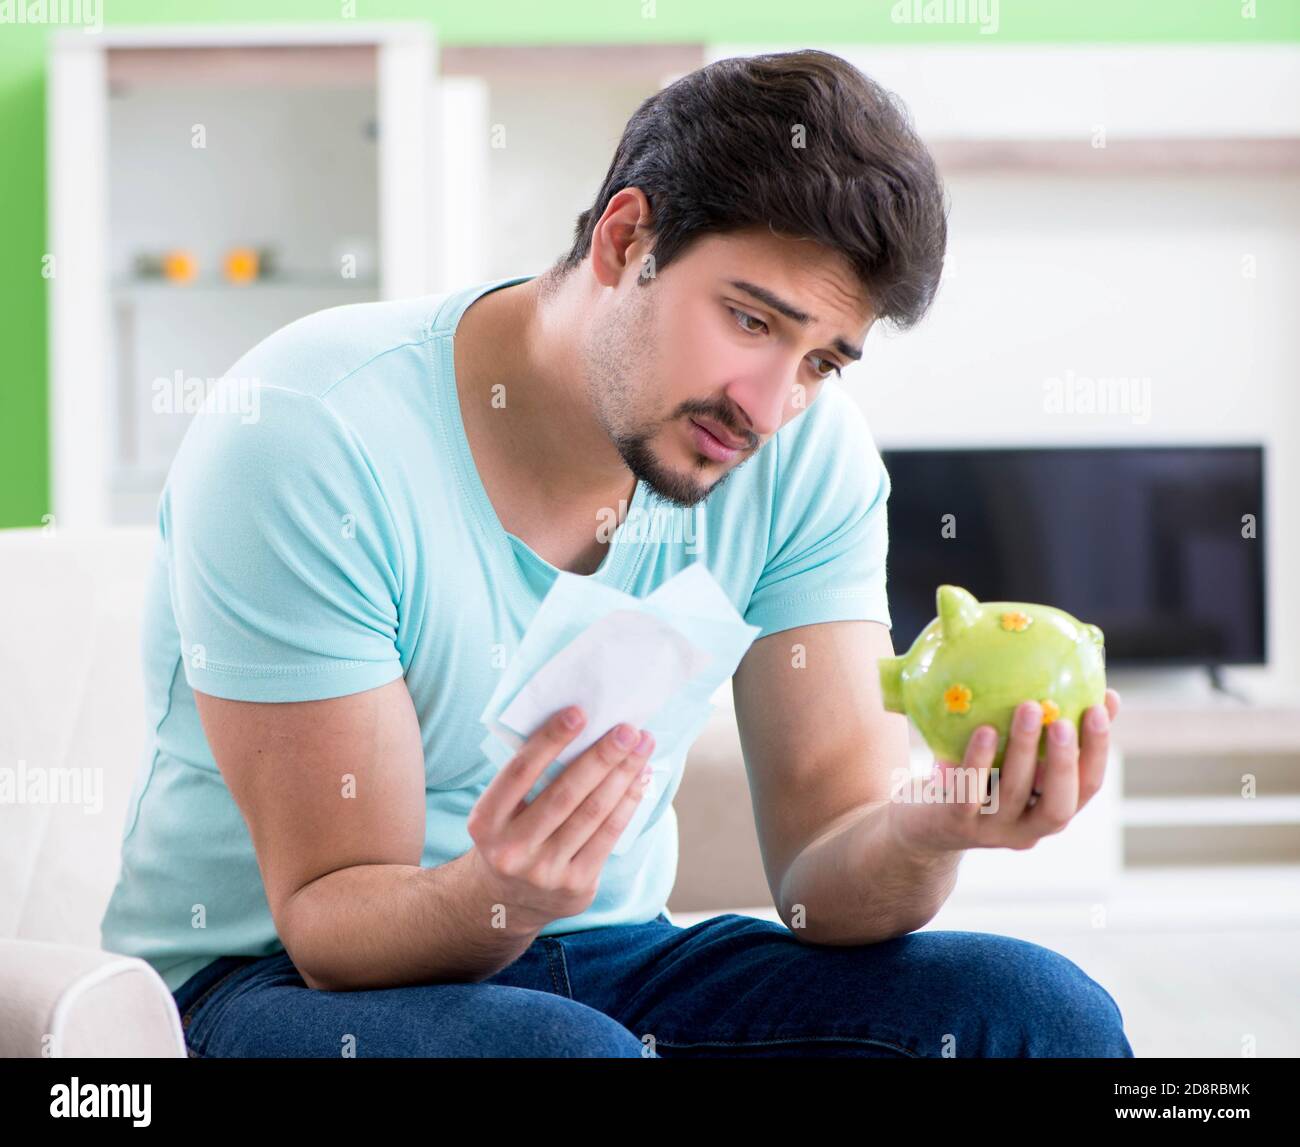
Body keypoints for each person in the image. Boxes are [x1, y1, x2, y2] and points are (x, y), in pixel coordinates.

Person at [101, 48, 1132, 1058]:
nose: (770, 407)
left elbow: (823, 873)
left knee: (1038, 1010)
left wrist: (925, 831)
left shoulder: (806, 457)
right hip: (267, 980)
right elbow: (331, 927)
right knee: (565, 1051)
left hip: (609, 960)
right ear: (625, 236)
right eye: (747, 320)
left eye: (820, 359)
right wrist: (501, 893)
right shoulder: (307, 432)